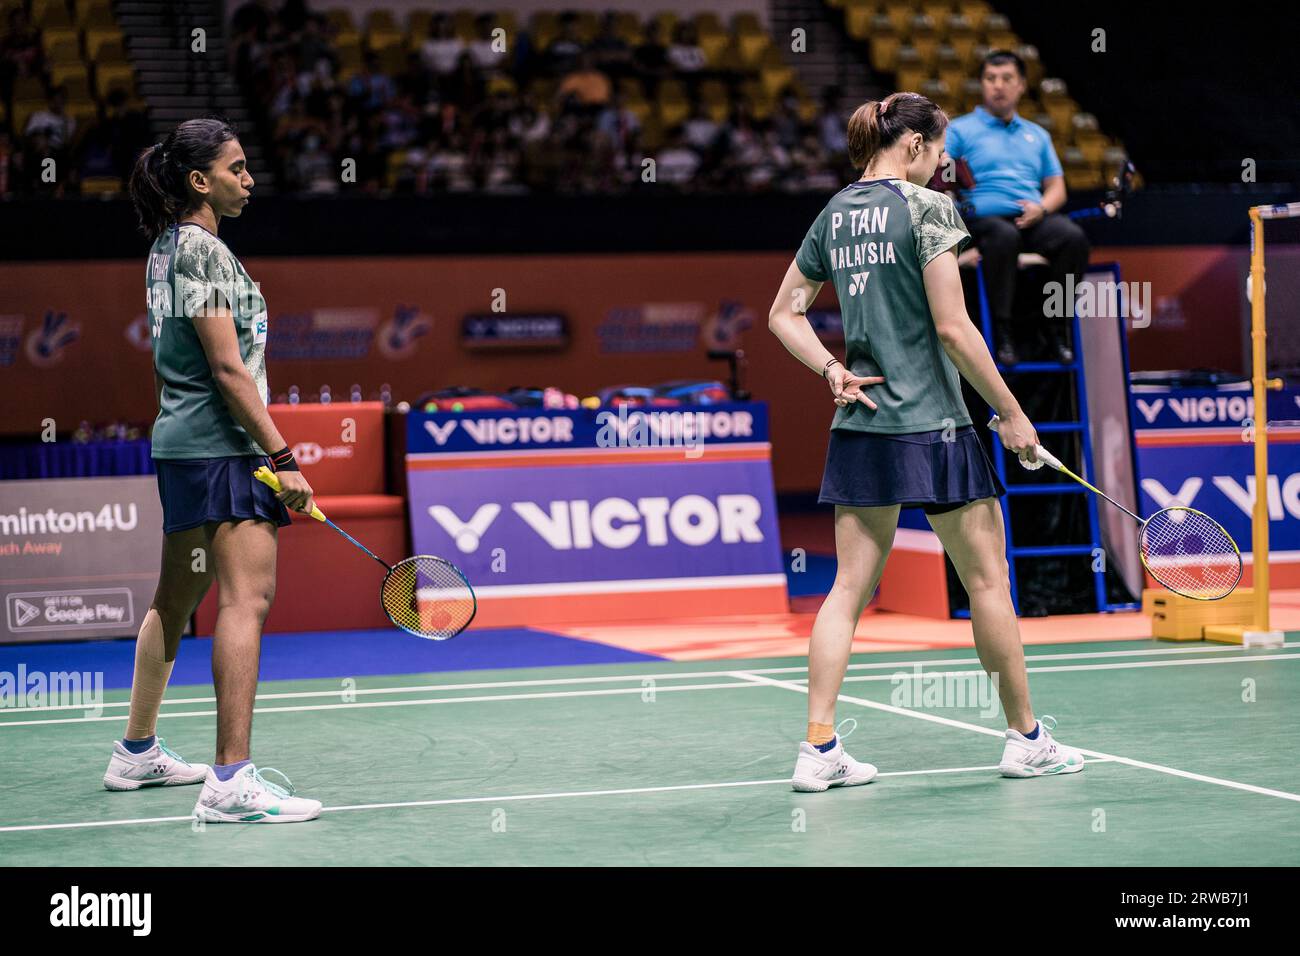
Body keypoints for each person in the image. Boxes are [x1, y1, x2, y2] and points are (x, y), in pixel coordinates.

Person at [767, 92, 1085, 792]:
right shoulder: (928, 208)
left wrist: (830, 369)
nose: (945, 169)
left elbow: (782, 313)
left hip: (863, 421)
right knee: (986, 582)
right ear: (912, 145)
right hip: (937, 426)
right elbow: (953, 328)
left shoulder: (835, 212)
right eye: (941, 154)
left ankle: (818, 749)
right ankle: (1026, 739)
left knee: (846, 590)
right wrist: (1012, 414)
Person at [114, 117, 322, 823]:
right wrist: (284, 458)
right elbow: (229, 371)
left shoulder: (166, 247)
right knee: (245, 601)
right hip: (223, 449)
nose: (249, 179)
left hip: (180, 447)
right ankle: (231, 782)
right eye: (236, 168)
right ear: (200, 180)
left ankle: (136, 752)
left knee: (175, 600)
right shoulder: (203, 250)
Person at [944, 50, 1088, 364]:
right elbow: (942, 176)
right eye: (990, 78)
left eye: (1007, 79)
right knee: (1003, 236)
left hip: (1030, 220)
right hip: (982, 222)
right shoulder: (959, 130)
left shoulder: (1037, 135)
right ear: (981, 85)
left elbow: (1057, 188)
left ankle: (1056, 328)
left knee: (1072, 238)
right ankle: (1003, 332)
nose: (998, 86)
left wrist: (1042, 209)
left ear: (1021, 85)